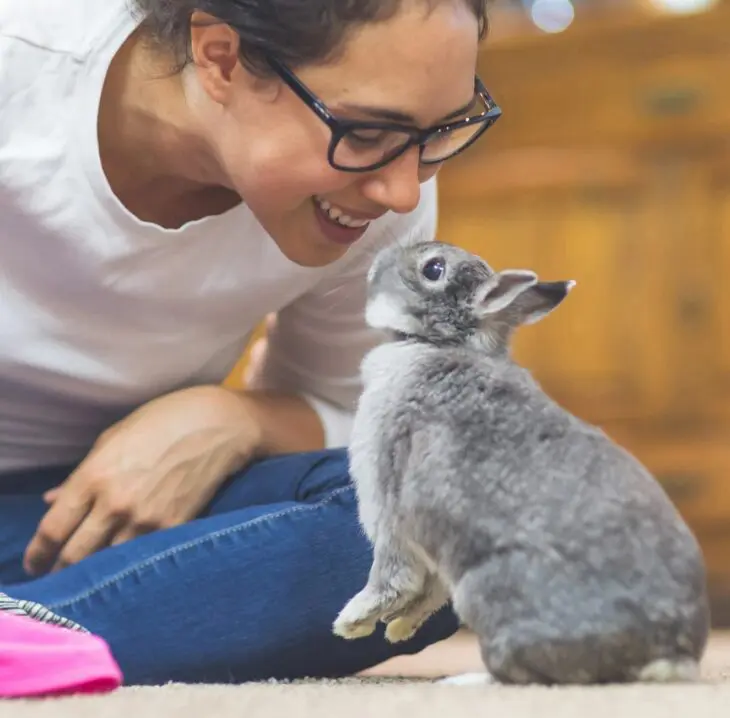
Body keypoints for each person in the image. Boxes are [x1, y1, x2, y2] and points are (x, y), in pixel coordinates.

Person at [0, 0, 501, 685]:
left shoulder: (371, 205)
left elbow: (368, 421)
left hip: (96, 526)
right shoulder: (20, 68)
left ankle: (25, 632)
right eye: (366, 133)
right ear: (220, 57)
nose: (404, 191)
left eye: (443, 131)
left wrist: (232, 417)